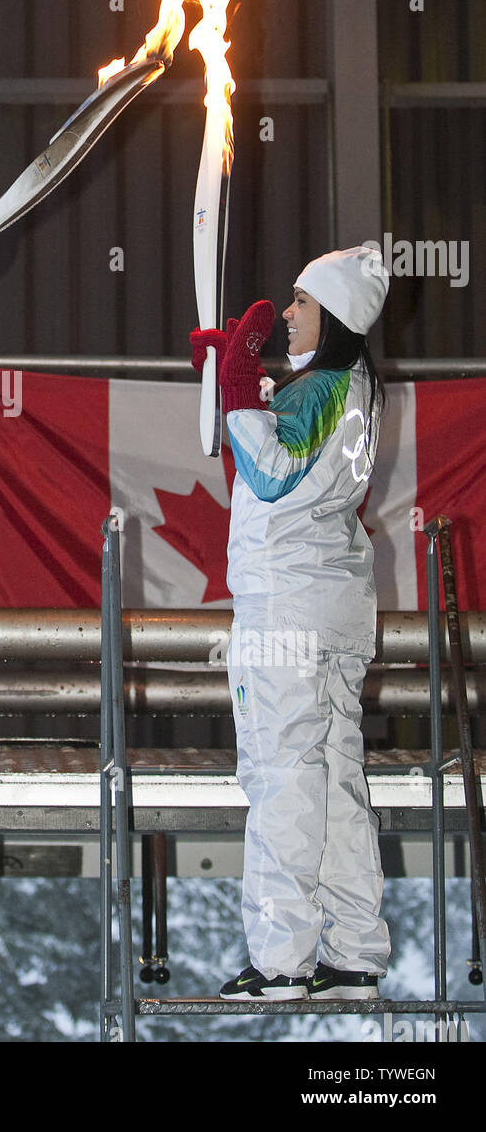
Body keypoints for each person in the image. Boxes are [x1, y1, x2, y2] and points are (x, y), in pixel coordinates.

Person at [191, 245, 391, 1000]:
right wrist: (232, 396)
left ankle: (280, 961)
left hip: (287, 607)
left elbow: (270, 477)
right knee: (335, 775)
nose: (289, 315)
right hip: (333, 606)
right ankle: (354, 951)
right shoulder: (354, 390)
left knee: (281, 773)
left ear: (334, 313)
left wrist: (240, 387)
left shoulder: (322, 392)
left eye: (302, 303)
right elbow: (261, 473)